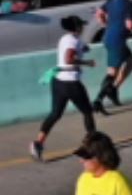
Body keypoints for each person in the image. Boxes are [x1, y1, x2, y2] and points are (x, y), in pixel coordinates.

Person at [30, 16, 96, 162]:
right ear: (77, 27)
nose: (83, 27)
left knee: (55, 114)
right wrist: (87, 62)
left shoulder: (66, 38)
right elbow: (69, 59)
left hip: (58, 81)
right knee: (87, 112)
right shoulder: (73, 40)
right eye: (81, 25)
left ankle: (38, 143)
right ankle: (93, 144)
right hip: (71, 83)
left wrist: (83, 47)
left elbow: (79, 47)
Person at [92, 0, 132, 116]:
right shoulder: (129, 4)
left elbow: (99, 13)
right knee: (111, 72)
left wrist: (106, 24)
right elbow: (130, 25)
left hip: (108, 37)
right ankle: (98, 101)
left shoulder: (111, 0)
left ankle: (113, 89)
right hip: (117, 40)